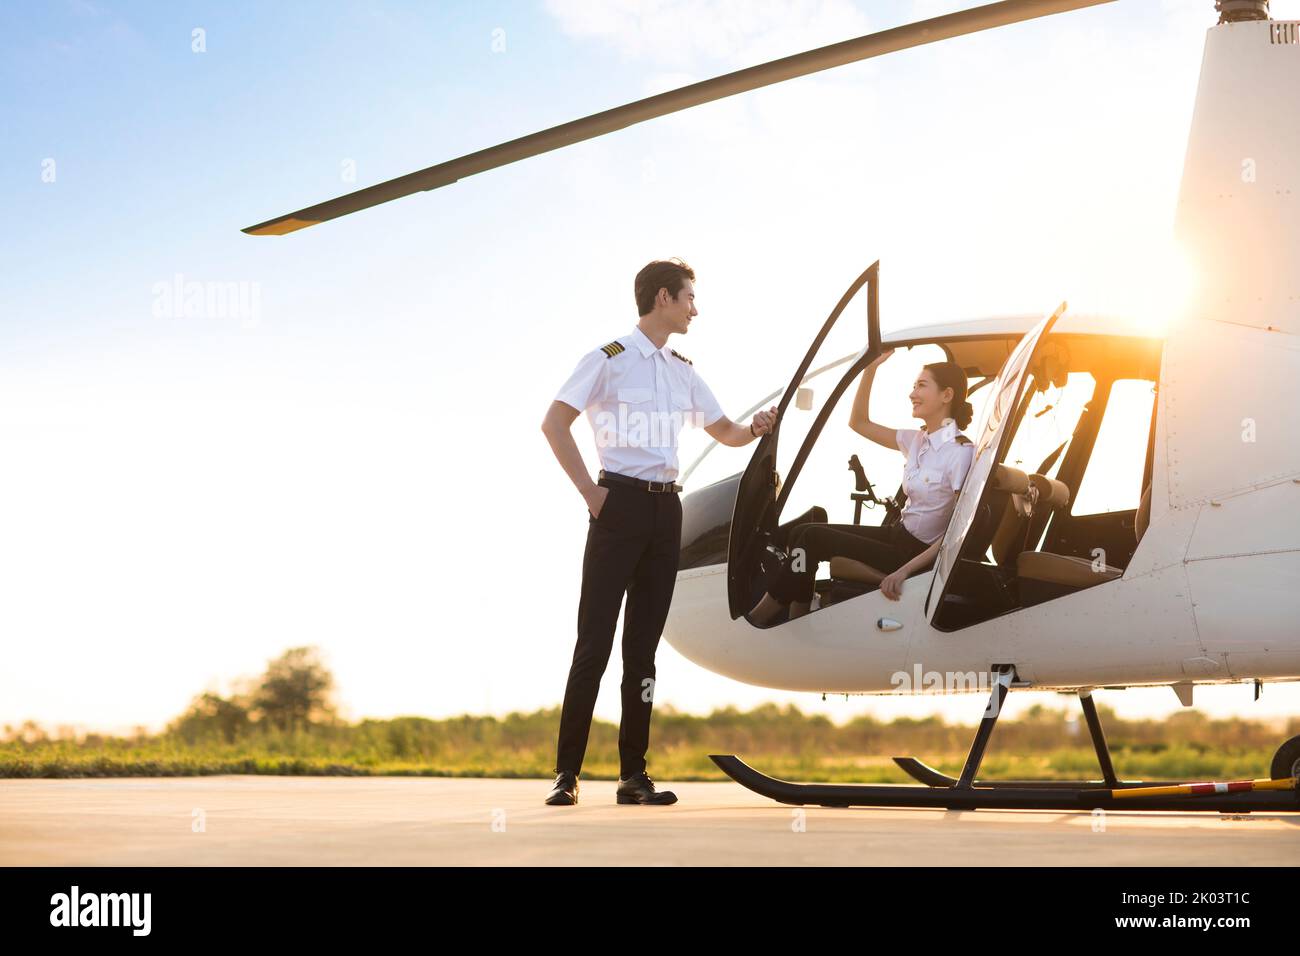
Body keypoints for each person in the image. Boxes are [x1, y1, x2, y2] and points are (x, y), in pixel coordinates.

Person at [540, 258, 777, 806]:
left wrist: (754, 428)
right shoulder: (608, 360)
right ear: (664, 297)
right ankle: (566, 775)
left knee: (642, 650)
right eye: (690, 297)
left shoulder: (683, 369)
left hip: (667, 513)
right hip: (616, 507)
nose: (696, 307)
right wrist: (590, 494)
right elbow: (554, 423)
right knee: (593, 644)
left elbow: (724, 430)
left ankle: (633, 777)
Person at [748, 348, 974, 624]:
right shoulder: (917, 440)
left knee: (810, 540)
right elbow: (858, 422)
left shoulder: (960, 452)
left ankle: (761, 617)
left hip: (915, 553)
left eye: (922, 386)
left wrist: (905, 571)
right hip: (897, 536)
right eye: (914, 386)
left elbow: (959, 531)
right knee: (801, 533)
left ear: (946, 395)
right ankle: (797, 619)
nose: (912, 393)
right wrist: (870, 369)